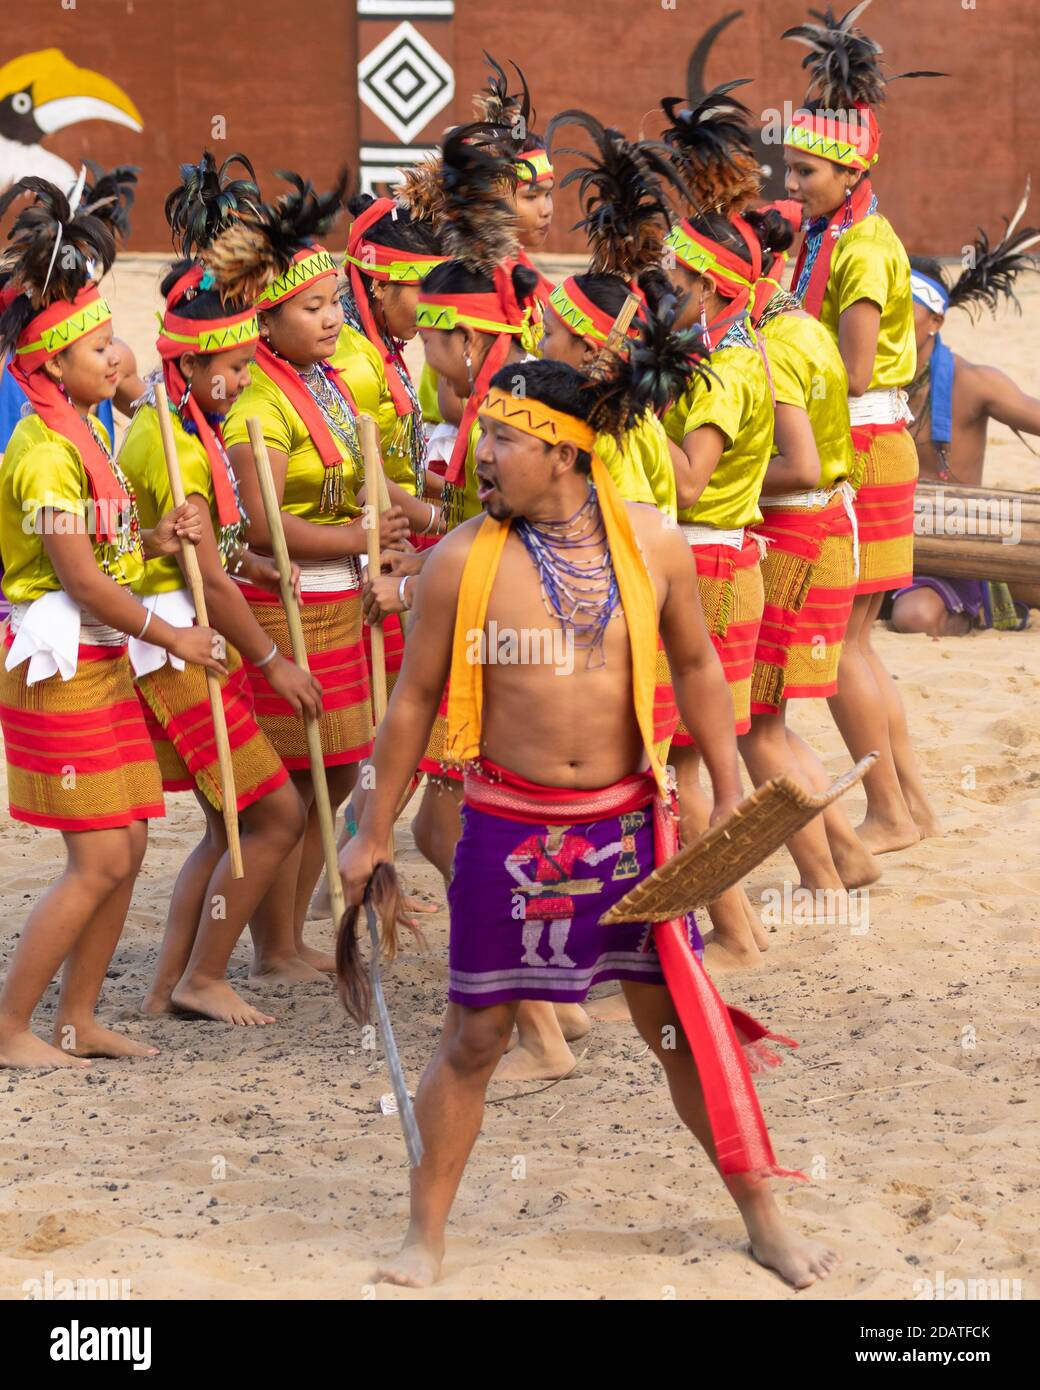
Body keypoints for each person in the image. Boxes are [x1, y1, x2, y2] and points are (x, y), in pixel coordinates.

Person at [339, 358, 838, 1292]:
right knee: (475, 1039)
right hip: (505, 827)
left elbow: (697, 668)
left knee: (678, 1033)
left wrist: (726, 788)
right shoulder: (459, 560)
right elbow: (410, 702)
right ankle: (427, 1234)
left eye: (503, 440)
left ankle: (765, 1215)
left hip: (626, 831)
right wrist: (373, 826)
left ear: (565, 450)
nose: (479, 456)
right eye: (483, 436)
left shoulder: (654, 545)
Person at [0, 176, 224, 1069]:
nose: (121, 357)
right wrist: (175, 637)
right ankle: (13, 1027)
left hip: (101, 660)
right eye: (101, 346)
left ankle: (76, 1019)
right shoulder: (45, 451)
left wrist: (162, 532)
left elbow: (107, 550)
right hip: (62, 664)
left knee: (126, 846)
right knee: (98, 858)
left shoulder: (85, 431)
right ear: (53, 363)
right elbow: (84, 583)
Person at [121, 152, 323, 1023]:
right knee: (272, 813)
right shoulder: (171, 442)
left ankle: (179, 980)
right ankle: (203, 976)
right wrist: (273, 657)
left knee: (230, 821)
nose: (239, 382)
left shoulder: (185, 425)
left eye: (246, 366)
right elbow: (197, 569)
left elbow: (215, 555)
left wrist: (253, 563)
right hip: (183, 649)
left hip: (190, 637)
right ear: (191, 364)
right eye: (229, 368)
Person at [219, 171, 410, 977]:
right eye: (314, 307)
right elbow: (266, 527)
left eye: (336, 302)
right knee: (290, 795)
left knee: (334, 782)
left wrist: (406, 524)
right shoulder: (254, 403)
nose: (334, 318)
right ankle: (272, 945)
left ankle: (288, 936)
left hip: (349, 606)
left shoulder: (340, 380)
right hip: (283, 610)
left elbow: (372, 479)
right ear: (266, 316)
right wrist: (365, 534)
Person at [781, 1, 941, 846]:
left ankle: (888, 811)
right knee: (860, 646)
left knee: (843, 647)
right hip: (864, 446)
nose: (792, 186)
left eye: (806, 172)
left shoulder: (864, 245)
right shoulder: (827, 234)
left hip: (867, 450)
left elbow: (849, 370)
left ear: (849, 174)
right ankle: (912, 805)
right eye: (791, 169)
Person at [657, 79, 776, 968]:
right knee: (690, 764)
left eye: (676, 281)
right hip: (722, 563)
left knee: (684, 765)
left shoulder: (722, 371)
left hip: (707, 563)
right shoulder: (726, 351)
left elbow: (691, 486)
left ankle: (729, 931)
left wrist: (628, 422)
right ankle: (734, 930)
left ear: (711, 287)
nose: (666, 292)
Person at [745, 214, 880, 894]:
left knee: (757, 727)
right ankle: (846, 855)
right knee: (768, 723)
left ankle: (822, 876)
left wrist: (721, 482)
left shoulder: (769, 344)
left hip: (793, 535)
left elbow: (796, 467)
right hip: (824, 524)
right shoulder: (806, 328)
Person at [890, 191, 1040, 634]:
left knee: (914, 617)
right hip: (880, 542)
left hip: (952, 544)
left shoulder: (973, 382)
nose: (890, 322)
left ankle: (987, 601)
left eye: (906, 311)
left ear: (935, 321)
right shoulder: (859, 375)